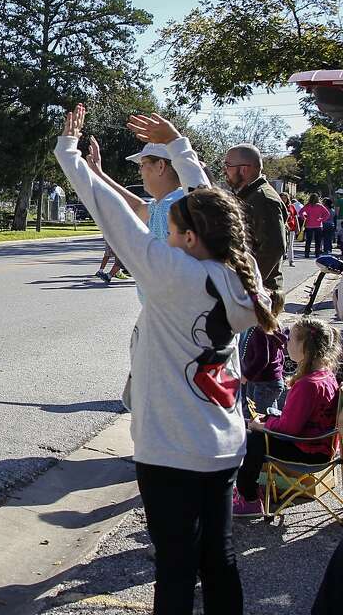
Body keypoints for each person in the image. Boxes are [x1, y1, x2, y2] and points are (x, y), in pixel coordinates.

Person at [56, 105, 277, 615]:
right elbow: (216, 211)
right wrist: (180, 148)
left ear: (191, 239)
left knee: (175, 566)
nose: (167, 239)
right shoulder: (241, 280)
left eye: (173, 232)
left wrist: (71, 153)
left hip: (170, 448)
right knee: (218, 559)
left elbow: (106, 209)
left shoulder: (172, 277)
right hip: (223, 444)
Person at [233, 316, 340, 516]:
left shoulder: (308, 384)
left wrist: (262, 426)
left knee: (250, 439)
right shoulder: (325, 375)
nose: (286, 342)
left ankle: (248, 499)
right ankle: (251, 490)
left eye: (291, 339)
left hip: (309, 451)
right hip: (321, 445)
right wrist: (269, 420)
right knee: (257, 429)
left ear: (305, 347)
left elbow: (289, 429)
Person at [222, 144, 286, 297]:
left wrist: (249, 285)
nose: (225, 170)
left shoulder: (263, 199)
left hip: (261, 293)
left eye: (228, 165)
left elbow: (274, 247)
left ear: (244, 169)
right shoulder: (249, 195)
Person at [239, 323, 287, 417]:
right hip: (261, 380)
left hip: (265, 383)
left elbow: (262, 359)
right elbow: (279, 355)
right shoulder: (265, 327)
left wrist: (246, 376)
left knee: (263, 420)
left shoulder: (260, 330)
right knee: (256, 415)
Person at [302, 193, 330, 258]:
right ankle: (317, 254)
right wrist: (322, 219)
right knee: (318, 240)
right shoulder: (320, 206)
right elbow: (327, 214)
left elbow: (301, 212)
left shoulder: (307, 206)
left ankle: (307, 253)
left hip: (309, 225)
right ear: (318, 199)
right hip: (318, 225)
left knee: (308, 240)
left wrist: (305, 218)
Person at [280, 192, 298, 267]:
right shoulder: (279, 206)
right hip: (282, 228)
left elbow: (295, 217)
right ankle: (280, 261)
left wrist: (298, 227)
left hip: (291, 228)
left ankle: (291, 260)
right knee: (282, 245)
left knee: (290, 245)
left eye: (285, 198)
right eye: (282, 198)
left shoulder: (291, 207)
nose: (283, 200)